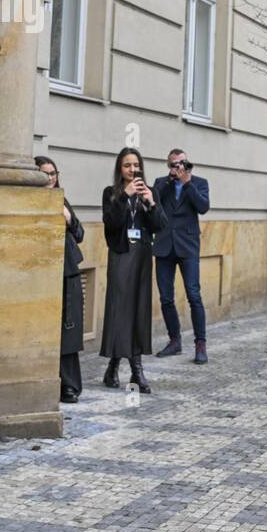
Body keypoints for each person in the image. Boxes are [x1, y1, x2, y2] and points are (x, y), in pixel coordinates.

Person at [101, 148, 166, 393]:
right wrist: (123, 198)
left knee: (137, 309)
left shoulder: (149, 192)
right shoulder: (111, 193)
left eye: (135, 165)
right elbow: (111, 223)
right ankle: (136, 371)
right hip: (120, 255)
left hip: (141, 256)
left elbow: (160, 225)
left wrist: (151, 203)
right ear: (120, 168)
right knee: (121, 309)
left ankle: (115, 367)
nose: (131, 169)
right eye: (127, 165)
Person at [152, 149, 211, 364]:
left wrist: (187, 183)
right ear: (168, 166)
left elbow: (203, 207)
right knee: (166, 297)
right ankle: (174, 340)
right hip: (164, 246)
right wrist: (171, 181)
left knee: (194, 295)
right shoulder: (161, 183)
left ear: (187, 164)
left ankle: (200, 344)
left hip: (188, 246)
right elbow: (155, 206)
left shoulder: (199, 183)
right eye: (173, 164)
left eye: (181, 163)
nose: (177, 167)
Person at [36, 156, 84, 404]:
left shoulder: (62, 199)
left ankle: (69, 385)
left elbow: (80, 233)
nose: (50, 178)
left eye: (53, 173)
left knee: (69, 329)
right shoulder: (31, 201)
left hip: (67, 271)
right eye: (45, 174)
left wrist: (68, 218)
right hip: (41, 273)